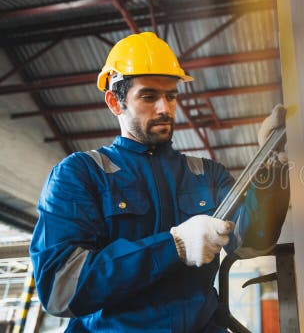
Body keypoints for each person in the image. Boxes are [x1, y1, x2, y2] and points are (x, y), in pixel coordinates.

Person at [29, 32, 290, 332]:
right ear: (115, 102)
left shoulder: (205, 173)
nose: (165, 108)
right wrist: (174, 246)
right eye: (149, 96)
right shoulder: (80, 174)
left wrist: (269, 170)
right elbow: (61, 287)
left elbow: (252, 241)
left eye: (171, 95)